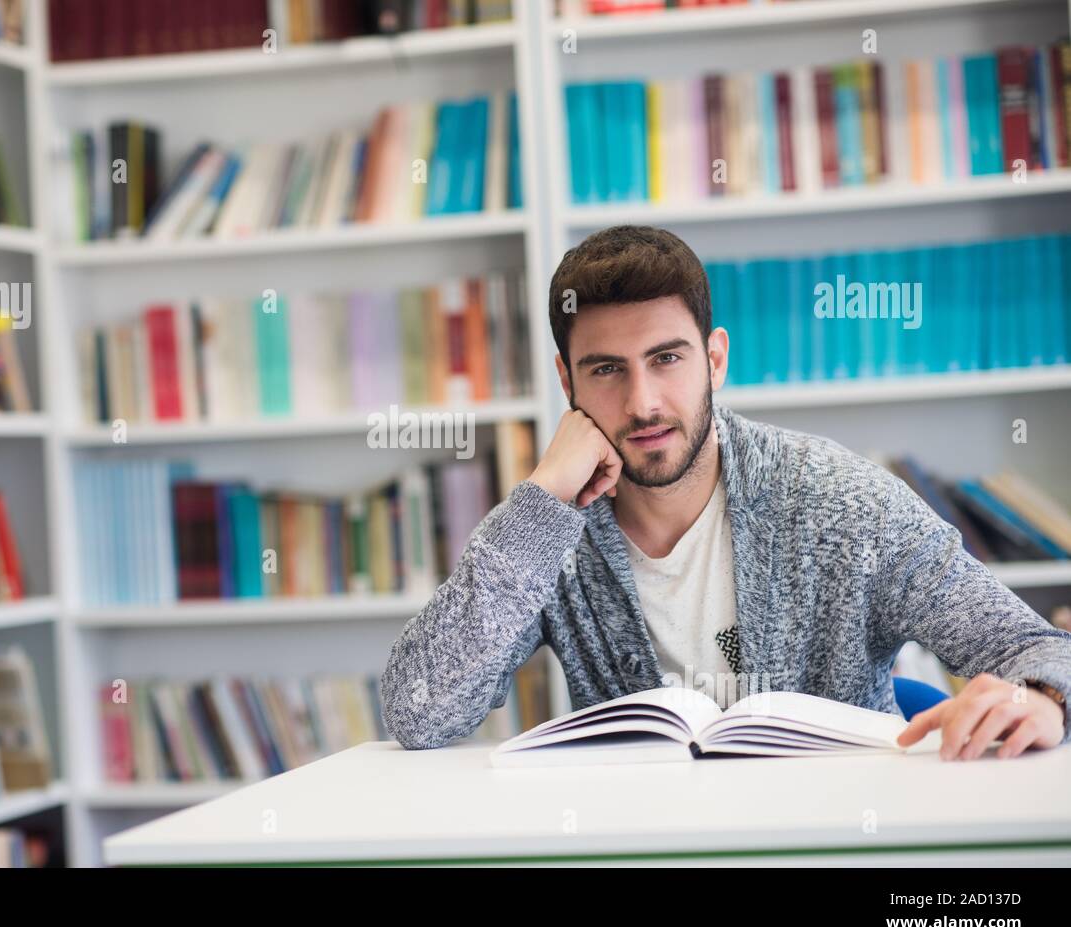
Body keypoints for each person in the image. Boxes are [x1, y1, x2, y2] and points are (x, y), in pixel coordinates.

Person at [379, 225, 1071, 760]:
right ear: (568, 382)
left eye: (667, 359)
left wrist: (1040, 698)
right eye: (606, 370)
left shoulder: (839, 500)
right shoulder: (551, 529)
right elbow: (419, 710)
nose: (643, 401)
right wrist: (539, 500)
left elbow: (1036, 647)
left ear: (715, 359)